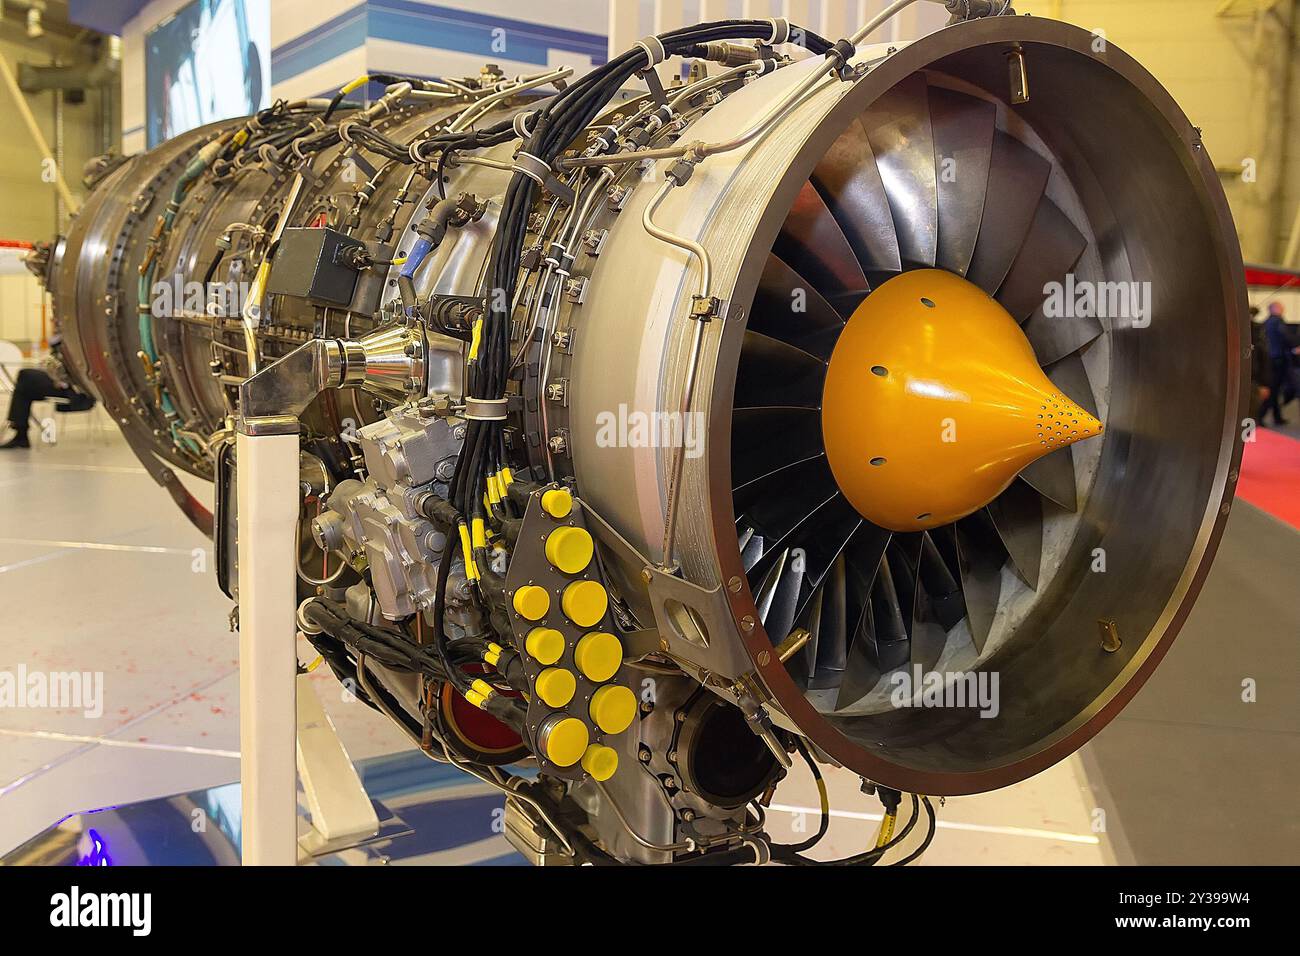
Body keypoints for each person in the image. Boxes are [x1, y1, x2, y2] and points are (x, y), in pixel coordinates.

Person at [1, 335, 96, 449]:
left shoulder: (79, 337)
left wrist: (62, 380)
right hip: (60, 382)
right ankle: (20, 434)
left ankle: (20, 434)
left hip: (73, 389)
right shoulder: (64, 336)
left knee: (24, 378)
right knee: (24, 388)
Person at [1258, 302, 1298, 426]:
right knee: (1277, 388)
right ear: (1276, 309)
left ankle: (1275, 416)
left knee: (1274, 389)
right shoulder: (1278, 322)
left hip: (1269, 359)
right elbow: (1286, 337)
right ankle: (1260, 415)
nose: (1284, 309)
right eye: (1281, 307)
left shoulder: (1265, 323)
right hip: (1279, 359)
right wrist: (1294, 346)